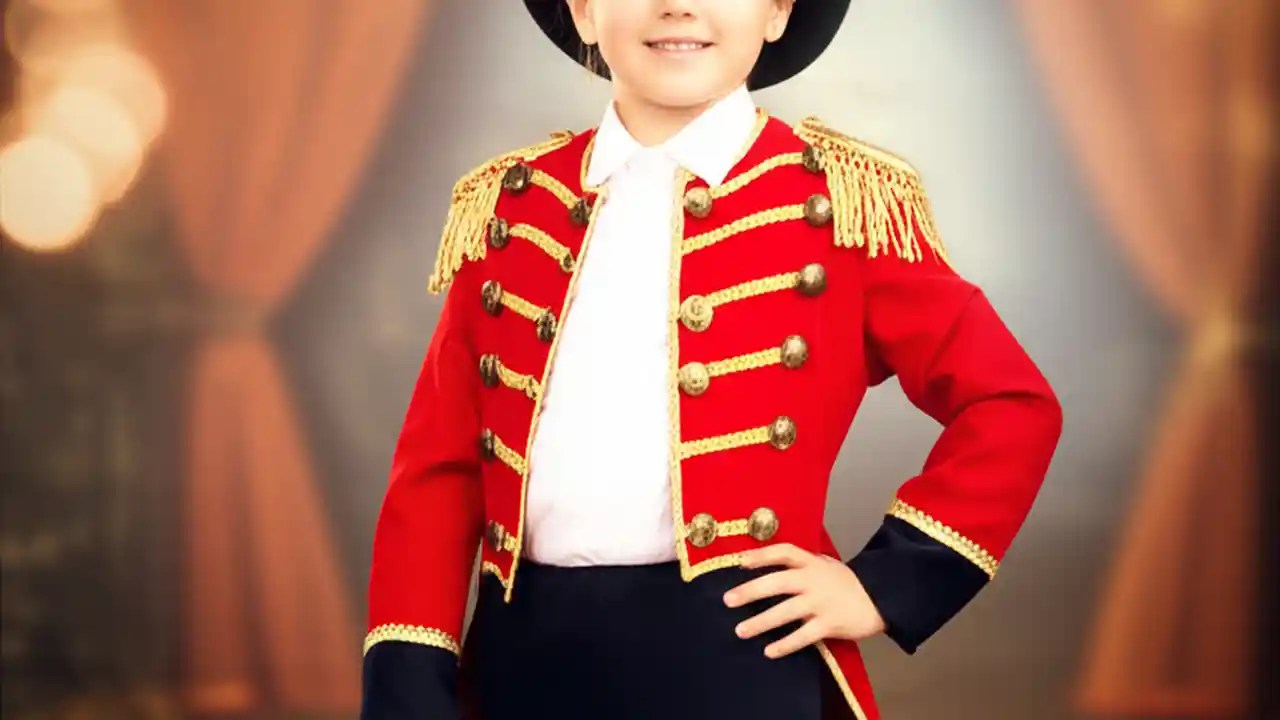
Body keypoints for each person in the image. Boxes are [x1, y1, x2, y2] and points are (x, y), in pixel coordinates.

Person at [361, 1, 1063, 718]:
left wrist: (884, 584)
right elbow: (437, 476)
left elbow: (1009, 406)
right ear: (583, 9)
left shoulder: (842, 202)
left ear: (779, 10)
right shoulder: (510, 210)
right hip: (519, 663)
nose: (679, 4)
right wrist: (409, 677)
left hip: (737, 658)